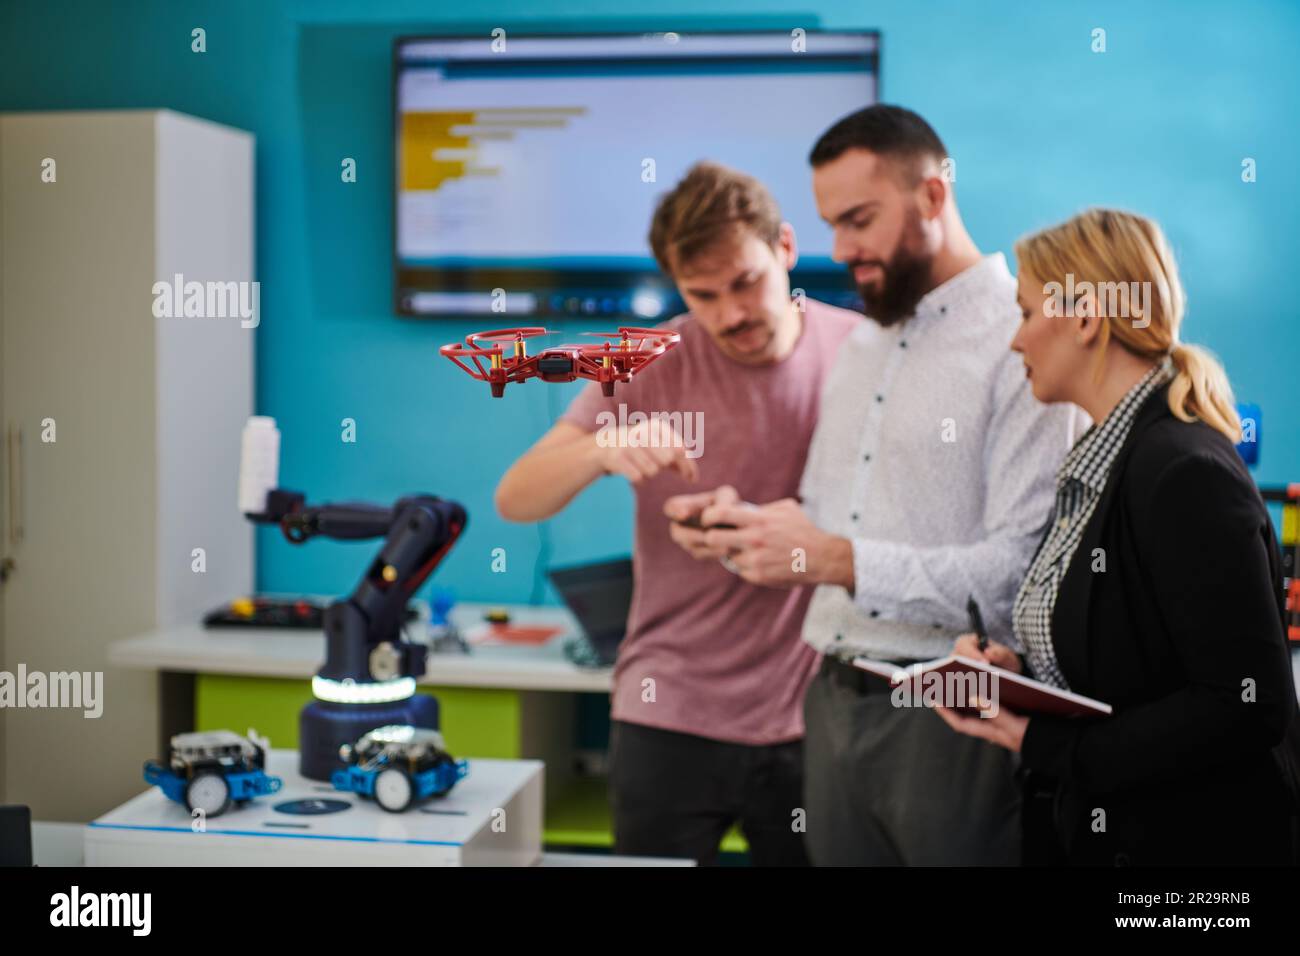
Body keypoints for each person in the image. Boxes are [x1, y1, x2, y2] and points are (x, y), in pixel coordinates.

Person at [672, 105, 1083, 865]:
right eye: (830, 224)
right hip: (831, 702)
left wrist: (835, 560)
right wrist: (746, 527)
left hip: (954, 716)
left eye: (859, 219)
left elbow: (1026, 578)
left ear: (932, 196)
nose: (841, 249)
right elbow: (832, 520)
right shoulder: (863, 345)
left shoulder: (1021, 341)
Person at [494, 161, 858, 865]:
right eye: (703, 294)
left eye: (746, 282)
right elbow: (516, 497)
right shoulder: (651, 363)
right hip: (668, 710)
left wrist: (773, 525)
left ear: (785, 248)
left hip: (812, 715)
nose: (730, 315)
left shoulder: (859, 353)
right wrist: (604, 447)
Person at [933, 208, 1299, 866]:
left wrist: (1037, 739)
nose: (1014, 342)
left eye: (1025, 313)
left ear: (1084, 318)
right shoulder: (1106, 462)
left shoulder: (1184, 472)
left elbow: (1246, 705)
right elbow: (1135, 657)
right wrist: (1021, 674)